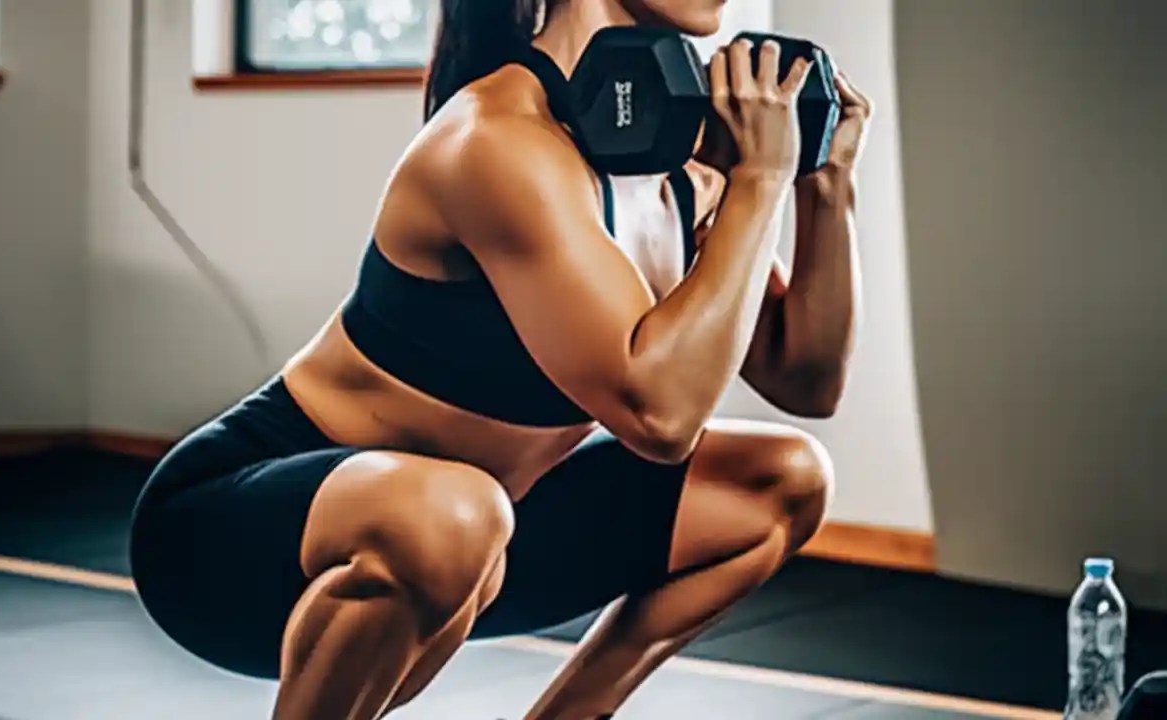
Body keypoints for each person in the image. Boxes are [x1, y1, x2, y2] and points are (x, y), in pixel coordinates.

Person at [128, 0, 872, 717]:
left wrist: (825, 189)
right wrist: (759, 181)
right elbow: (661, 414)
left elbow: (807, 380)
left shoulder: (679, 153)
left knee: (782, 480)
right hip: (235, 545)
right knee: (453, 515)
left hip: (484, 535)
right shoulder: (498, 141)